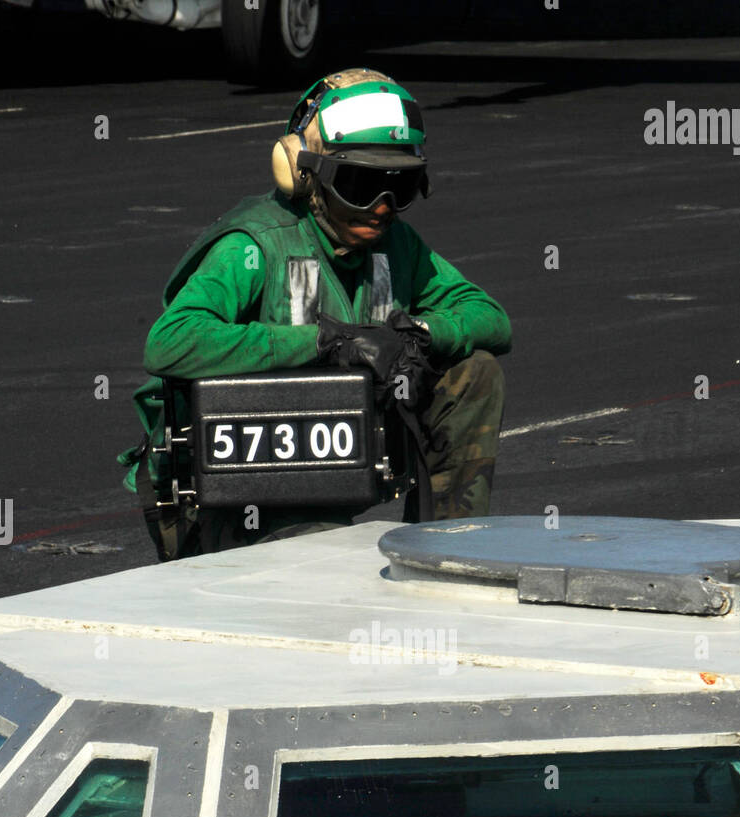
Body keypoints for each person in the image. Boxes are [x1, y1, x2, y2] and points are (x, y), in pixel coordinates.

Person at [118, 67, 512, 561]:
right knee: (325, 567)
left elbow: (490, 316)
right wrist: (327, 343)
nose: (382, 208)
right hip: (227, 495)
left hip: (330, 470)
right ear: (305, 174)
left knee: (474, 372)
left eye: (400, 187)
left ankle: (444, 552)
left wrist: (419, 335)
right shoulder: (253, 246)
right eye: (360, 185)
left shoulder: (396, 244)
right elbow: (170, 341)